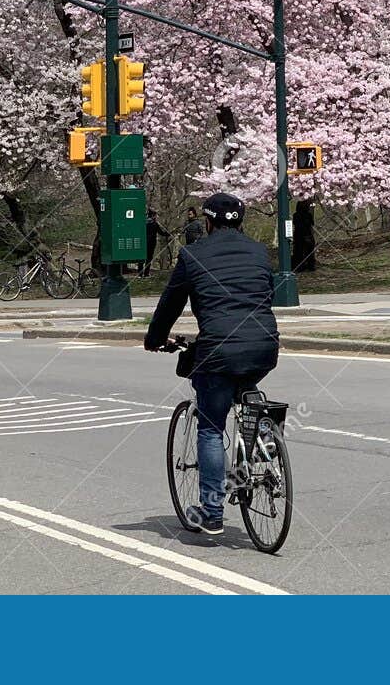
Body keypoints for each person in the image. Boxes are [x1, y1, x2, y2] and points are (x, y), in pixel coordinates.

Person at [144, 191, 279, 536]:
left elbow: (170, 303)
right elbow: (267, 294)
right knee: (247, 385)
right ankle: (263, 440)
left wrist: (155, 339)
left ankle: (212, 511)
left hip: (219, 349)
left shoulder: (193, 254)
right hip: (264, 346)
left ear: (207, 221)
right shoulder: (259, 252)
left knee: (210, 426)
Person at [140, 208, 172, 278]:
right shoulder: (154, 224)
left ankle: (140, 274)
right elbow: (161, 232)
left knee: (142, 257)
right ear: (153, 216)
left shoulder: (143, 223)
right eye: (155, 216)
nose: (156, 217)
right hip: (151, 243)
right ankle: (146, 273)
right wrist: (168, 234)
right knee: (148, 258)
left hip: (143, 243)